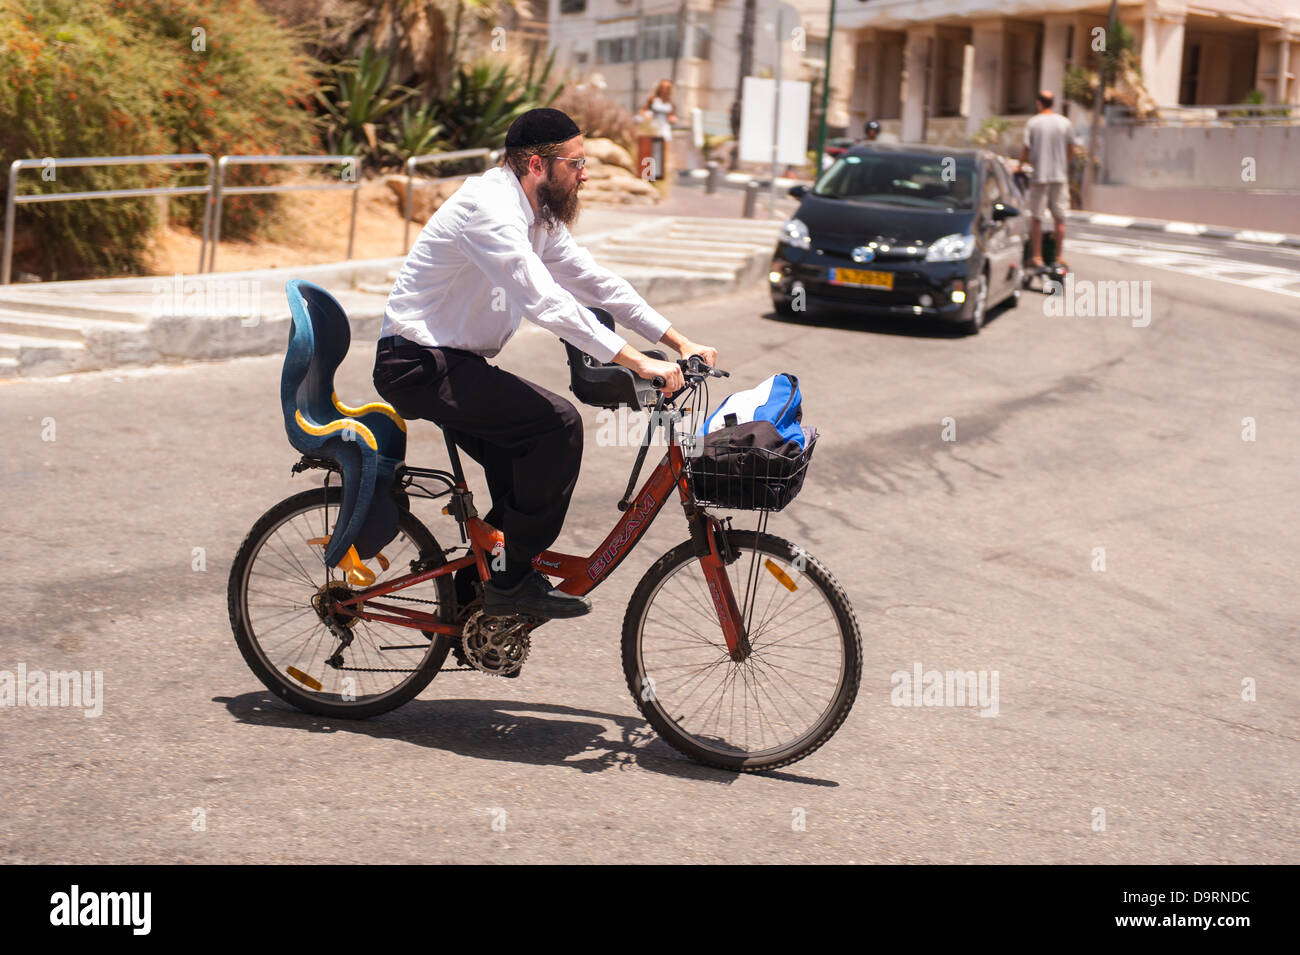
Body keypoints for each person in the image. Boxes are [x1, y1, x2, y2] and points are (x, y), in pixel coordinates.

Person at [371, 107, 718, 620]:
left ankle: (474, 599)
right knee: (557, 426)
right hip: (419, 363)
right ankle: (511, 581)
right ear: (538, 164)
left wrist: (677, 339)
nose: (585, 173)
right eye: (576, 163)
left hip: (455, 364)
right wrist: (636, 361)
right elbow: (544, 302)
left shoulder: (537, 216)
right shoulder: (491, 210)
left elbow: (596, 282)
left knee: (523, 468)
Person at [1019, 90, 1078, 268]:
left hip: (1039, 176)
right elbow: (1072, 149)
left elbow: (1026, 149)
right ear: (1053, 102)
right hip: (1059, 177)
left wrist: (1020, 166)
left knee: (1036, 218)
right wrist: (1062, 163)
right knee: (1059, 218)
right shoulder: (1064, 122)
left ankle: (1037, 257)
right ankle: (1059, 256)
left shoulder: (1033, 123)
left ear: (1039, 103)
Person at [639, 79, 677, 181]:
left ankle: (661, 174)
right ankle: (649, 173)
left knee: (665, 150)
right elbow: (643, 110)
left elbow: (670, 115)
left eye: (667, 88)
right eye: (663, 87)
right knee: (652, 150)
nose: (665, 90)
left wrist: (672, 119)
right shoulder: (653, 99)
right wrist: (646, 117)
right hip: (654, 126)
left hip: (664, 127)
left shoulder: (670, 102)